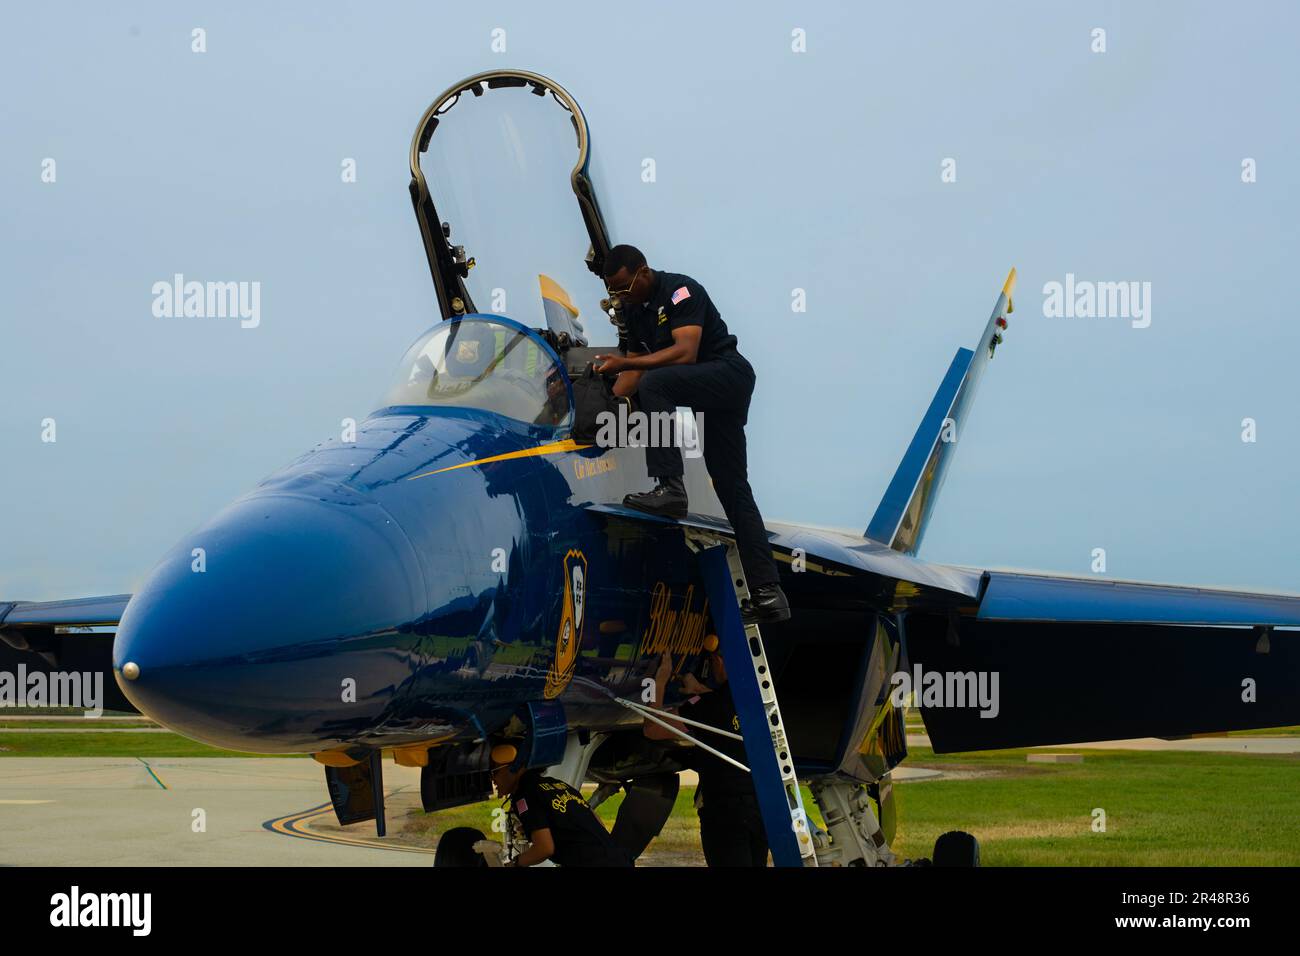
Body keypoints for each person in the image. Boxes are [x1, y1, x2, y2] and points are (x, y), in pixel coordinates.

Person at [593, 245, 789, 624]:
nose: (619, 297)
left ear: (643, 272)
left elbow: (685, 352)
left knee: (656, 384)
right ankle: (769, 593)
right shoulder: (632, 312)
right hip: (707, 392)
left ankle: (670, 488)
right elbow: (630, 376)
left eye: (623, 288)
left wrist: (629, 364)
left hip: (728, 375)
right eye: (612, 291)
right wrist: (599, 406)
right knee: (732, 487)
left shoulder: (680, 291)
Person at [642, 640, 769, 867]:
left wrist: (656, 682)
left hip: (725, 812)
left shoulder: (706, 705)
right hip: (759, 810)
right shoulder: (760, 700)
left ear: (719, 661)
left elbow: (652, 729)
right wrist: (700, 690)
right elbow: (727, 707)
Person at [489, 743, 632, 867]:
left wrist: (515, 863)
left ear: (513, 768)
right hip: (618, 859)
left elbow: (544, 849)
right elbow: (597, 823)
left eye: (494, 772)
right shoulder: (559, 785)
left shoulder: (525, 794)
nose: (493, 780)